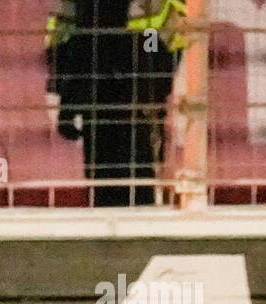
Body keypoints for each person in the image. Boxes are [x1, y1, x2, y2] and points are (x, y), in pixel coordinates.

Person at [48, 0, 183, 206]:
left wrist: (68, 102)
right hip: (125, 75)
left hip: (116, 76)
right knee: (128, 168)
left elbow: (69, 42)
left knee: (111, 169)